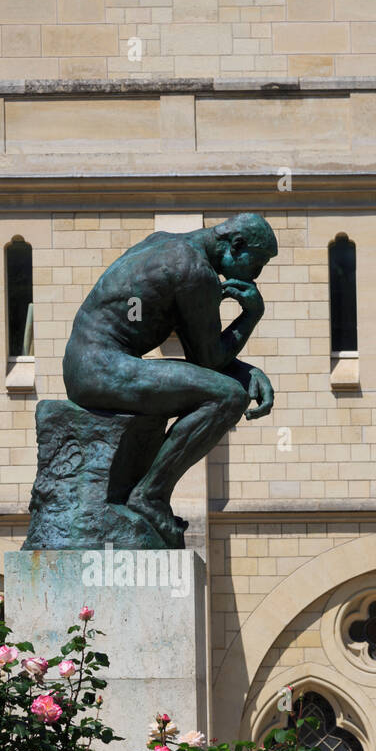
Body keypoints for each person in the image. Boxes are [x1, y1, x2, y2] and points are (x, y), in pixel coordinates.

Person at [62, 213, 278, 546]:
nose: (256, 274)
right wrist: (252, 314)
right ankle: (151, 495)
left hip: (88, 362)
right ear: (236, 245)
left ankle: (147, 493)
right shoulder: (195, 271)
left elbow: (202, 356)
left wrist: (244, 369)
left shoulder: (166, 243)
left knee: (220, 388)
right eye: (257, 263)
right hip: (101, 366)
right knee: (228, 398)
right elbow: (208, 360)